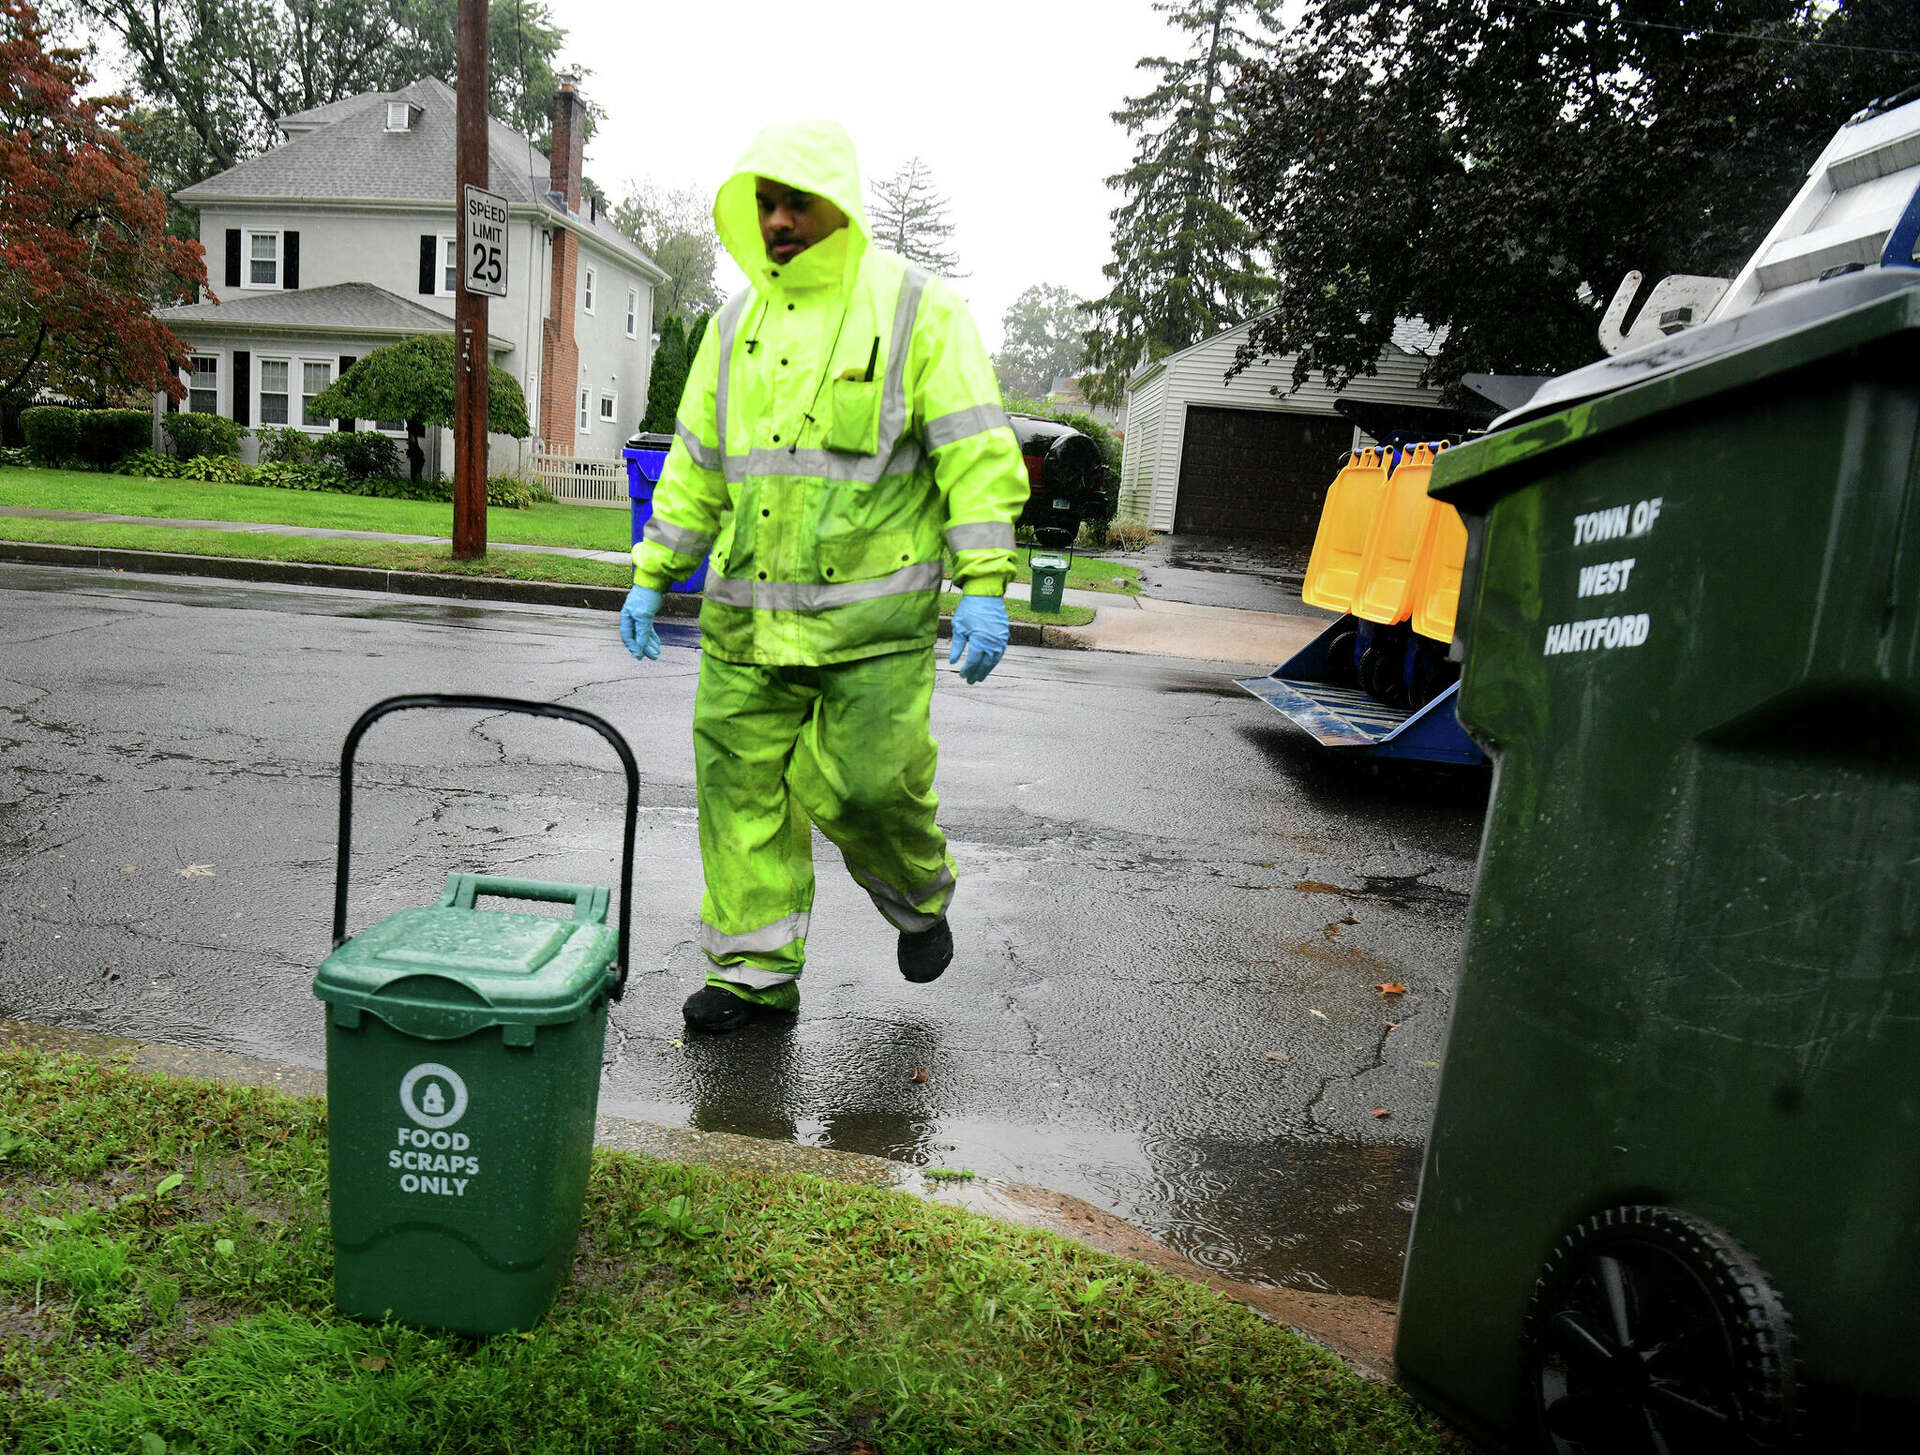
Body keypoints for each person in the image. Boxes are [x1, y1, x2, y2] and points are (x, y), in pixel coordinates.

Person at [618, 120, 1028, 1035]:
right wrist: (654, 573)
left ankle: (920, 899)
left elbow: (974, 453)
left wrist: (987, 584)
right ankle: (752, 975)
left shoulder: (920, 312)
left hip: (869, 632)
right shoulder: (733, 329)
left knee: (869, 789)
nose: (777, 220)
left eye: (794, 200)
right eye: (763, 203)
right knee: (739, 793)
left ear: (837, 200)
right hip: (744, 628)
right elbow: (694, 467)